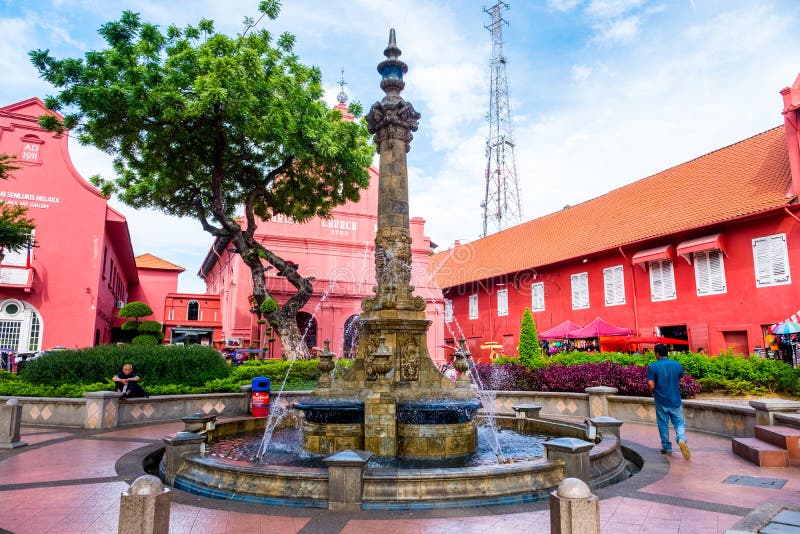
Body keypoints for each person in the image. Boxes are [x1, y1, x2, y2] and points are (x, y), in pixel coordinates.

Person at [647, 343, 690, 460]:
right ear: (667, 353)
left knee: (663, 424)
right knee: (679, 423)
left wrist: (652, 391)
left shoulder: (653, 366)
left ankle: (667, 448)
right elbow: (681, 378)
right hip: (675, 399)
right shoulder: (677, 365)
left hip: (661, 400)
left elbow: (650, 383)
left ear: (656, 353)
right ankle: (681, 438)